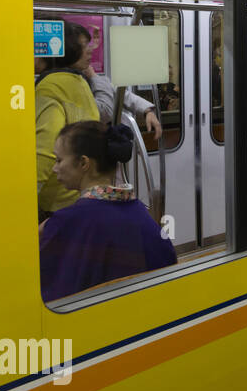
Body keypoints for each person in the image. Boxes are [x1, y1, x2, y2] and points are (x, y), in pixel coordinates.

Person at [38, 120, 177, 302]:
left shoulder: (66, 222)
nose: (55, 168)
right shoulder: (142, 214)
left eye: (59, 160)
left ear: (83, 163)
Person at [37, 21, 100, 219]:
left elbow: (45, 151)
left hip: (57, 201)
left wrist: (21, 198)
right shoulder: (79, 82)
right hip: (81, 192)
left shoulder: (49, 87)